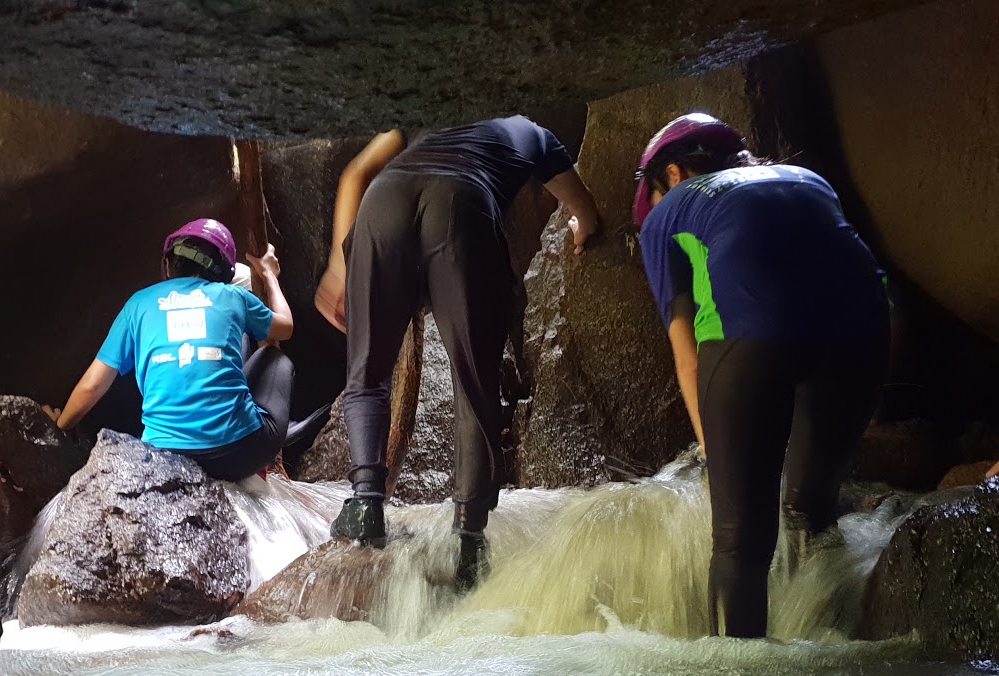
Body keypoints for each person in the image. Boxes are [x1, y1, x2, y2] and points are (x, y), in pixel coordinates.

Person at [314, 115, 601, 590]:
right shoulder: (532, 133)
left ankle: (365, 504)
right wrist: (583, 226)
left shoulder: (424, 117)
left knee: (368, 369)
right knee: (473, 379)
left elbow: (353, 175)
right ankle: (469, 535)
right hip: (461, 205)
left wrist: (337, 267)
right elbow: (582, 205)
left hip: (382, 201)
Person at [632, 113, 889, 639]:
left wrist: (714, 454)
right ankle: (829, 648)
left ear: (674, 175)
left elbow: (687, 355)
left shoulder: (666, 216)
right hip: (865, 338)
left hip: (751, 342)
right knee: (809, 511)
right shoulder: (808, 180)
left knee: (739, 543)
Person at [51, 218, 296, 482]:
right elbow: (286, 327)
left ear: (168, 264)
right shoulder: (233, 296)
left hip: (164, 456)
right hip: (237, 456)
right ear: (225, 273)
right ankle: (249, 445)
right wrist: (269, 275)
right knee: (275, 358)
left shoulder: (139, 304)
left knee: (241, 346)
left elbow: (93, 385)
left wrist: (60, 426)